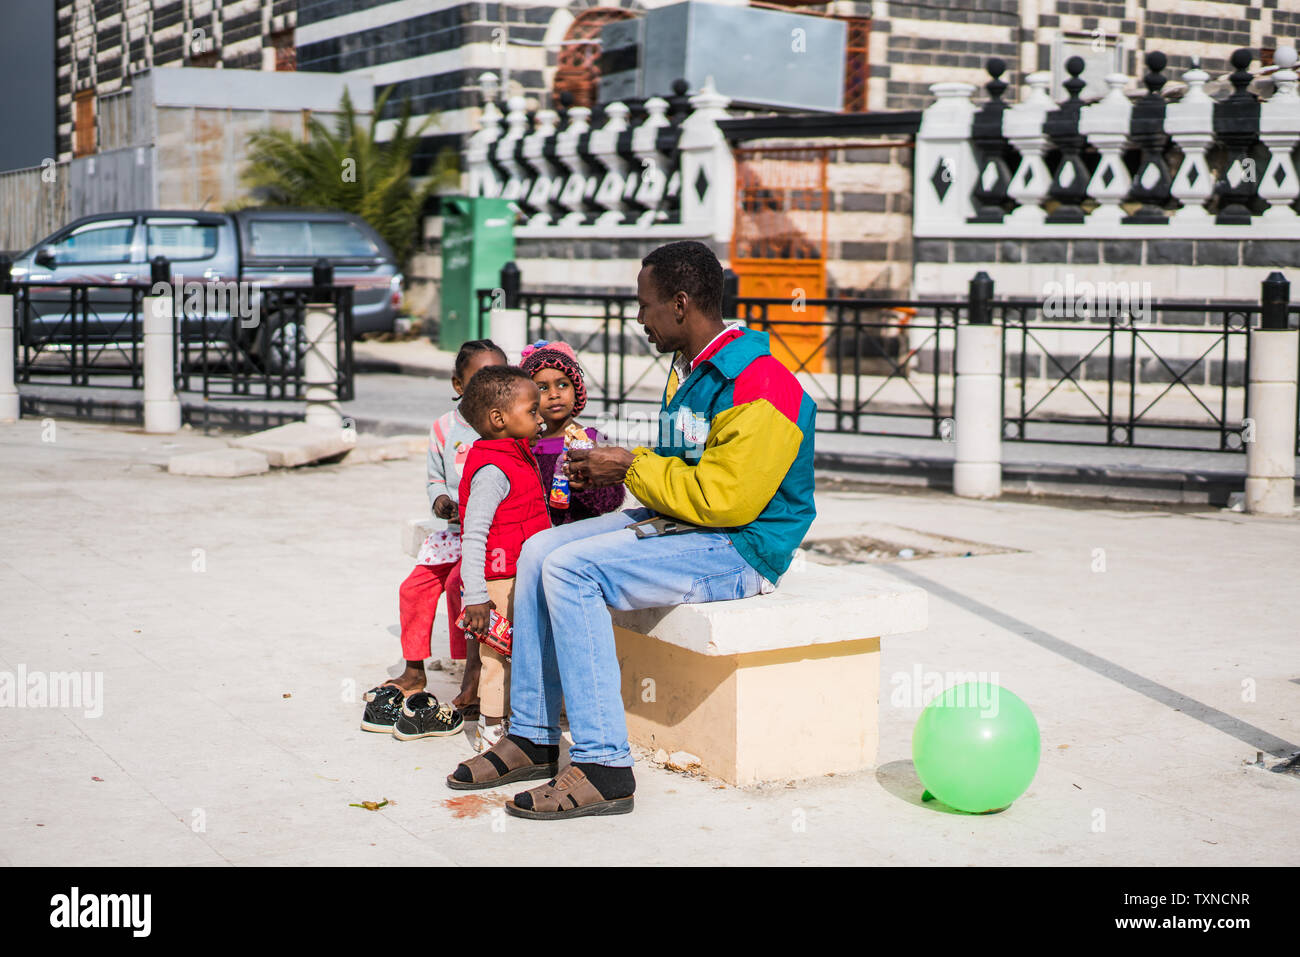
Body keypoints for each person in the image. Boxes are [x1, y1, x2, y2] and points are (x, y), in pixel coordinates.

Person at [444, 241, 817, 819]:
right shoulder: (691, 369)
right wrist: (623, 468)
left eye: (644, 305)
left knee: (572, 571)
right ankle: (536, 734)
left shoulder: (761, 384)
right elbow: (688, 470)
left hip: (740, 546)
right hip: (686, 523)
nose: (638, 318)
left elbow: (726, 500)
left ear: (681, 303)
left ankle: (604, 766)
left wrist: (629, 465)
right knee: (540, 549)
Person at [359, 340, 506, 739]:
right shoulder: (444, 427)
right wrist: (440, 499)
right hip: (451, 533)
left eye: (499, 379)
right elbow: (435, 477)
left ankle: (471, 674)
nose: (490, 388)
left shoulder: (503, 426)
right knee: (414, 588)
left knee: (462, 584)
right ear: (459, 384)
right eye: (480, 380)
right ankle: (413, 671)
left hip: (485, 537)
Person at [444, 365, 551, 776]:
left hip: (520, 575)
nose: (540, 417)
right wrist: (476, 596)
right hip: (500, 581)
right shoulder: (493, 469)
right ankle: (492, 733)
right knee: (497, 659)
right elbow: (474, 536)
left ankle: (521, 724)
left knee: (522, 654)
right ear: (499, 419)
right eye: (532, 409)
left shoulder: (515, 454)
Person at [519, 339, 627, 526]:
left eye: (562, 385)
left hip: (580, 535)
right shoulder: (529, 445)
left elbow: (613, 499)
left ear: (576, 390)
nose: (554, 394)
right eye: (542, 388)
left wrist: (585, 483)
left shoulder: (591, 439)